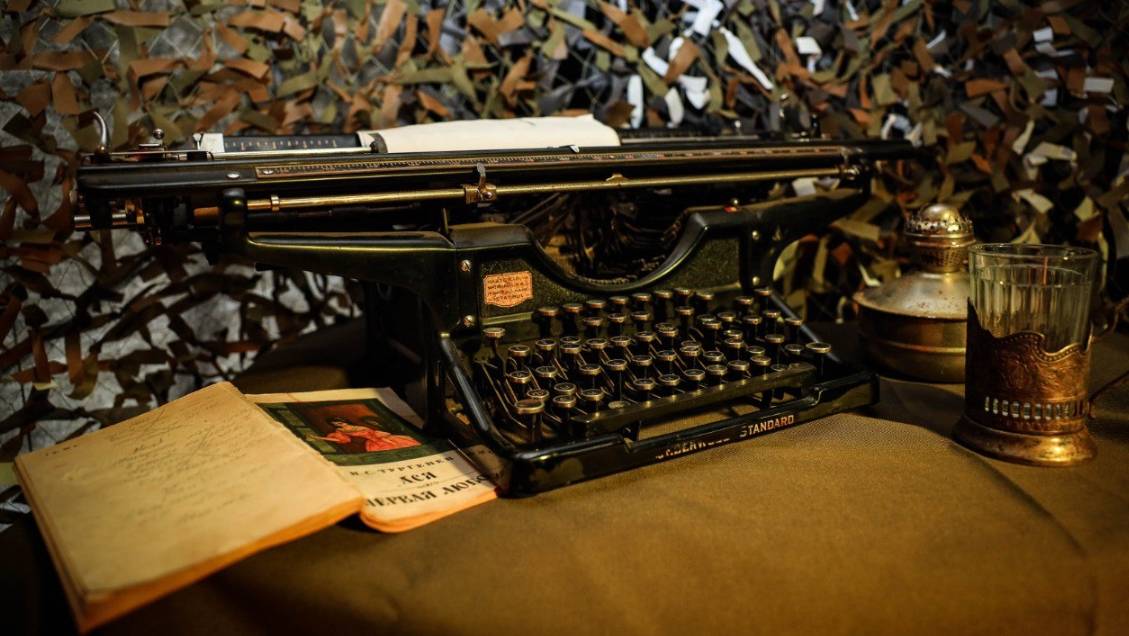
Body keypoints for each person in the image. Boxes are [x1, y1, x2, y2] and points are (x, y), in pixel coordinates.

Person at [313, 416, 420, 452]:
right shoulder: (340, 431)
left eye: (339, 421)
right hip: (374, 443)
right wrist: (320, 438)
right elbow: (342, 440)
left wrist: (384, 436)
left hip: (381, 436)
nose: (339, 424)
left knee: (407, 444)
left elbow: (372, 431)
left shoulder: (355, 425)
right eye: (335, 423)